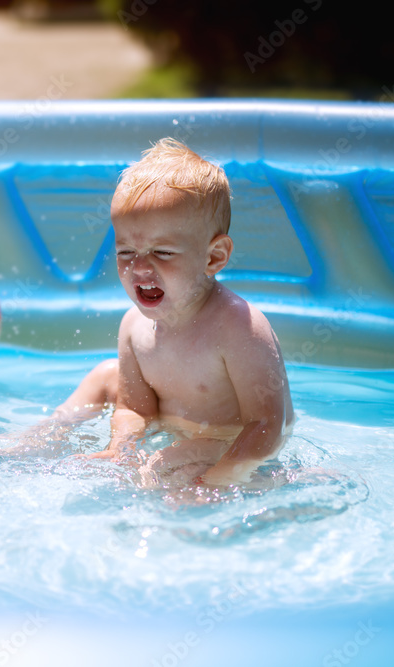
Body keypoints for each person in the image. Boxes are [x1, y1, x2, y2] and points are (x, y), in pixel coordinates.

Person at [68, 137, 294, 487]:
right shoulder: (133, 326)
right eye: (126, 251)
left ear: (214, 257)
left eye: (163, 252)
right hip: (174, 429)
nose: (140, 267)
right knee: (104, 376)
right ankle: (41, 436)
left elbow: (267, 424)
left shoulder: (238, 326)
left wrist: (217, 480)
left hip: (228, 443)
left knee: (161, 468)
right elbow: (135, 409)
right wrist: (122, 448)